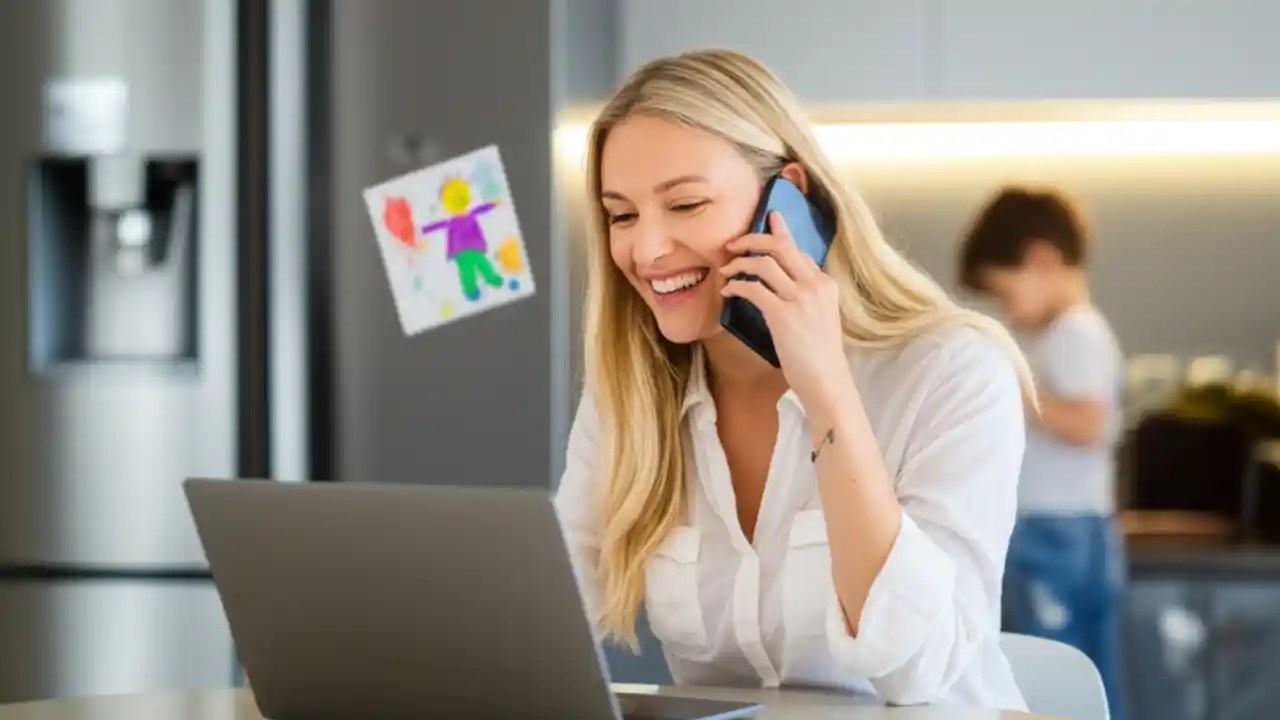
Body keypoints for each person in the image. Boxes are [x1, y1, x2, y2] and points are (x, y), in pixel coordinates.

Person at [554, 50, 1031, 710]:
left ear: (789, 200)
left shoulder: (951, 373)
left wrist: (825, 386)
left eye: (685, 204)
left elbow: (916, 669)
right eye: (622, 214)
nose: (648, 249)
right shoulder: (630, 394)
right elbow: (548, 609)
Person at [959, 188, 1126, 720]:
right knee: (1089, 672)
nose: (1007, 310)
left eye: (1005, 294)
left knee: (1048, 674)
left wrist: (1011, 383)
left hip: (1054, 531)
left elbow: (1088, 422)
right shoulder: (1076, 332)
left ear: (1041, 259)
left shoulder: (1072, 332)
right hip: (1081, 528)